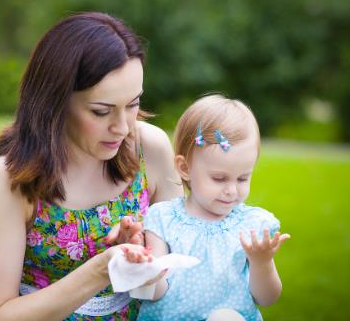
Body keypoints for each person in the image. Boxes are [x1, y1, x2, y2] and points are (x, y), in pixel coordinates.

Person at [0, 11, 183, 321]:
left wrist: (142, 261)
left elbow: (179, 274)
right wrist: (102, 270)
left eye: (133, 104)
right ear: (55, 102)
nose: (123, 128)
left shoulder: (150, 149)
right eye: (101, 111)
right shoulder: (12, 173)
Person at [123, 94, 291, 320]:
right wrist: (145, 270)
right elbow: (154, 293)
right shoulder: (163, 219)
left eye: (242, 178)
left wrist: (262, 263)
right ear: (184, 168)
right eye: (220, 178)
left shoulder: (252, 226)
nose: (232, 190)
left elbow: (267, 298)